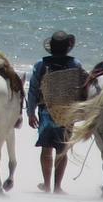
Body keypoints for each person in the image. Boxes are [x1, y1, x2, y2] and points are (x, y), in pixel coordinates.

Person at [25, 31, 82, 193]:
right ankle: (57, 186)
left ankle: (47, 184)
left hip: (45, 112)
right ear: (67, 48)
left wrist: (30, 112)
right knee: (62, 149)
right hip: (67, 113)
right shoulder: (75, 65)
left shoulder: (41, 64)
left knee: (46, 149)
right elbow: (80, 90)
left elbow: (33, 90)